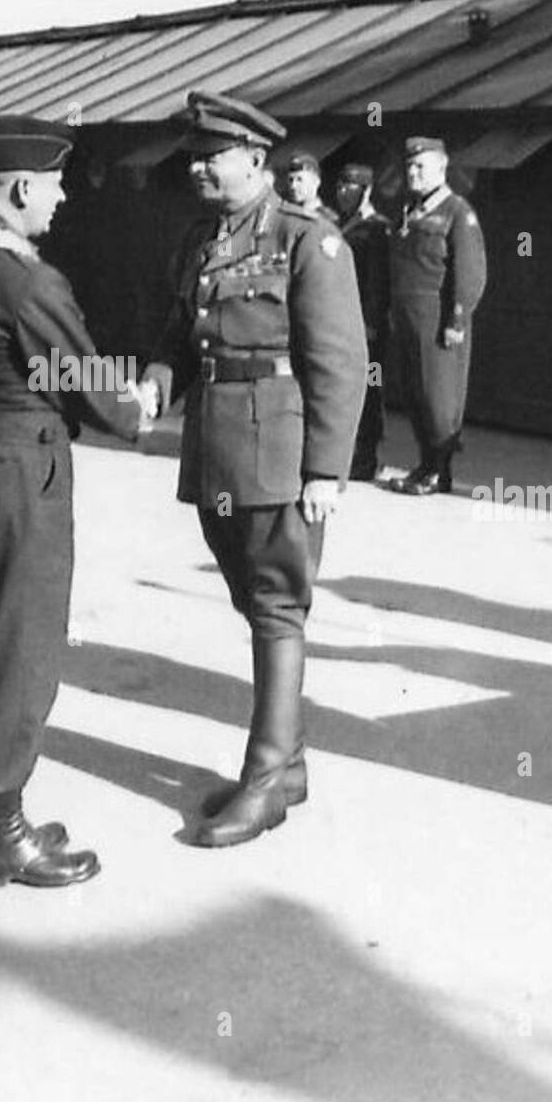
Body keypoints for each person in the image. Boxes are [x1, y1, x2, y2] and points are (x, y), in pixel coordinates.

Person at [0, 115, 153, 887]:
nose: (63, 198)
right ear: (18, 188)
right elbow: (91, 384)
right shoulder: (26, 281)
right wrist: (141, 401)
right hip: (21, 475)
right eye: (54, 184)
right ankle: (2, 836)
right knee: (20, 646)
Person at [143, 92, 367, 849]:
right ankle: (290, 763)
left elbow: (339, 361)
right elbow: (183, 333)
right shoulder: (200, 238)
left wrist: (326, 470)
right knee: (256, 603)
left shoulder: (310, 240)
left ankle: (267, 777)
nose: (199, 167)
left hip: (278, 453)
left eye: (213, 154)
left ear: (256, 159)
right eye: (194, 157)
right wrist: (153, 382)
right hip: (217, 446)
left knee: (276, 608)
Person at [387, 137, 486, 496]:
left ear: (441, 168)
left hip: (437, 320)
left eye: (421, 167)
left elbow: (471, 273)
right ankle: (425, 463)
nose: (413, 173)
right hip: (408, 318)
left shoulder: (457, 212)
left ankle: (439, 470)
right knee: (415, 393)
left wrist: (456, 321)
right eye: (409, 167)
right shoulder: (409, 211)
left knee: (438, 397)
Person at [334, 162, 392, 481]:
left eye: (350, 188)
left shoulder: (376, 229)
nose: (343, 193)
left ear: (366, 191)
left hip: (368, 327)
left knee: (370, 387)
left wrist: (371, 321)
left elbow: (378, 282)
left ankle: (366, 456)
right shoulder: (338, 225)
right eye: (340, 186)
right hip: (341, 322)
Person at [283, 153, 338, 223]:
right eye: (291, 180)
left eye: (299, 180)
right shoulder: (287, 214)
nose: (293, 186)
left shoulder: (326, 219)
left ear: (315, 182)